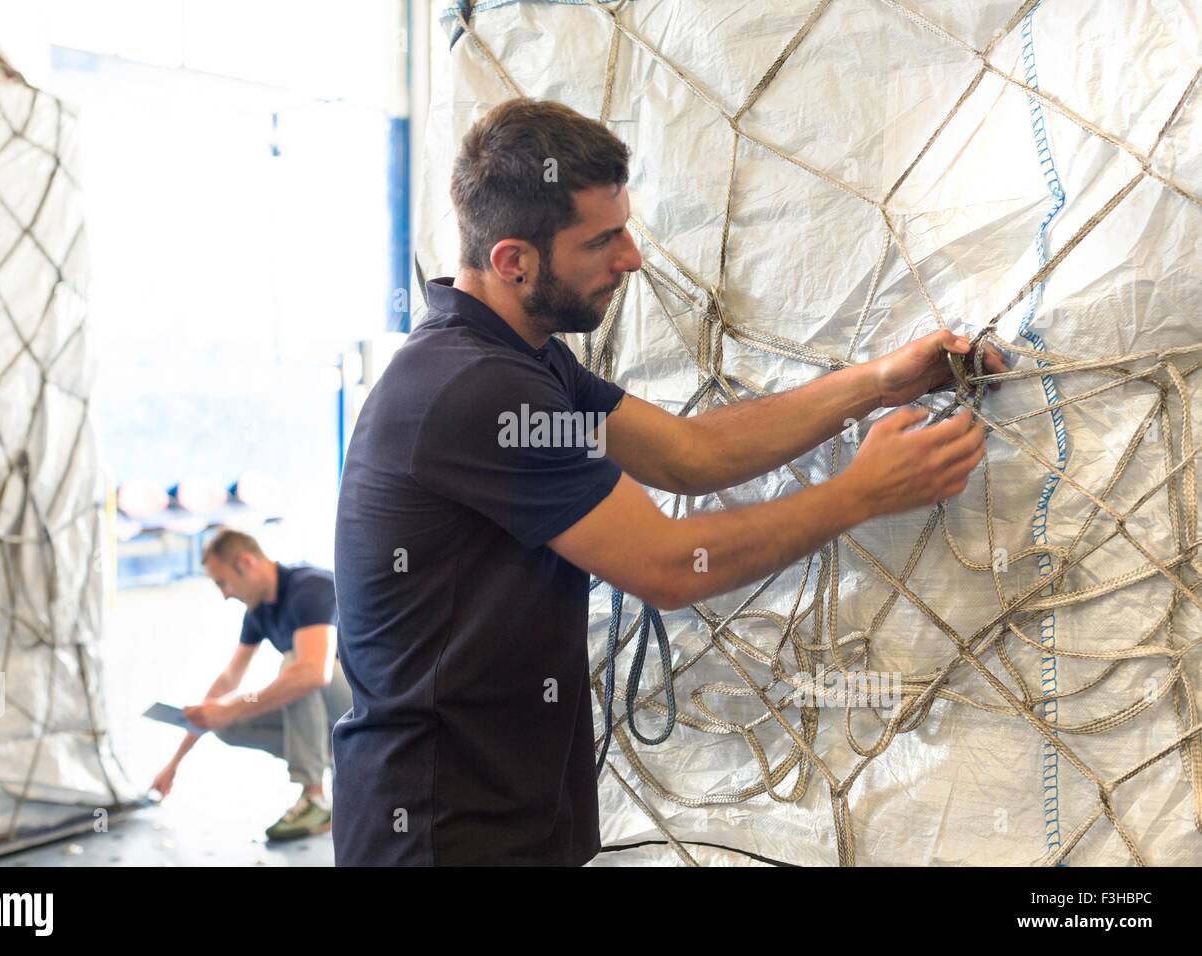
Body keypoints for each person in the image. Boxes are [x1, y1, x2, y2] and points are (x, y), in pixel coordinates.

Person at [332, 97, 1005, 866]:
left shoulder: (524, 358)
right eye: (602, 240)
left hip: (509, 810)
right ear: (514, 260)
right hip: (438, 830)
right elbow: (665, 566)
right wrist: (861, 493)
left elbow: (689, 453)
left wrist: (878, 383)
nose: (632, 257)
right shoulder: (474, 391)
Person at [149, 529, 351, 841]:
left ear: (245, 563)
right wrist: (174, 763)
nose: (224, 594)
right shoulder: (258, 612)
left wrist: (231, 708)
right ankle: (338, 757)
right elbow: (227, 682)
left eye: (222, 582)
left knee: (294, 667)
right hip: (331, 712)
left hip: (369, 699)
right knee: (227, 725)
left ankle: (315, 797)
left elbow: (313, 673)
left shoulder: (310, 587)